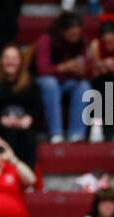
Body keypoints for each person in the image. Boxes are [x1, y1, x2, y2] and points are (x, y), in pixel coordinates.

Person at [0, 44, 42, 168]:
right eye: (7, 58)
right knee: (8, 133)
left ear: (20, 61)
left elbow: (38, 108)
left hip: (23, 126)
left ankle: (27, 178)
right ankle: (7, 175)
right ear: (1, 60)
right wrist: (1, 119)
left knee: (27, 136)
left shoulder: (30, 82)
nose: (10, 62)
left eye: (14, 58)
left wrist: (28, 118)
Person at [34, 11, 90, 143]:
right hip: (44, 80)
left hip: (68, 81)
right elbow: (42, 69)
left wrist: (82, 70)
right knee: (50, 84)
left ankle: (77, 134)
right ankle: (56, 133)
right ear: (63, 32)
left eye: (78, 34)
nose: (75, 37)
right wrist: (64, 67)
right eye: (72, 34)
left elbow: (87, 69)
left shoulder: (81, 43)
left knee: (84, 86)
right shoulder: (46, 41)